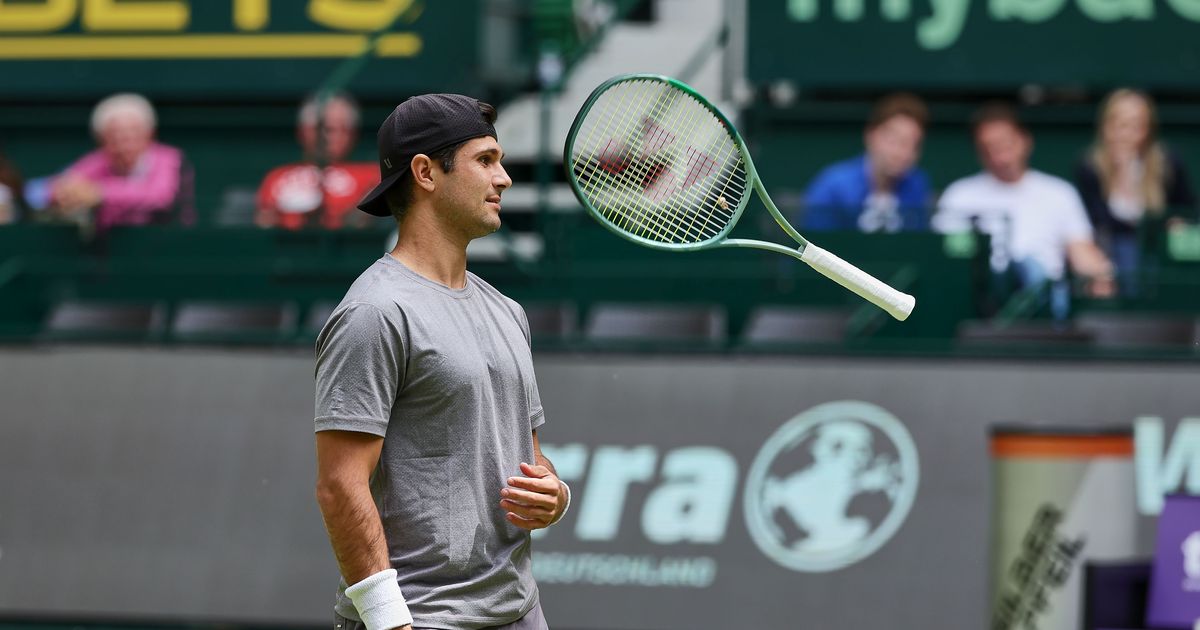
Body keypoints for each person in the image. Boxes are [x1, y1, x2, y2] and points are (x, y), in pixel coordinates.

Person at [314, 94, 567, 630]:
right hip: (418, 618)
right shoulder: (374, 313)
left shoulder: (508, 310)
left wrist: (554, 494)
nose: (504, 179)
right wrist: (388, 620)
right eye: (485, 160)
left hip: (521, 611)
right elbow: (340, 485)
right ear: (425, 173)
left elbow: (530, 457)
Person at [934, 103, 1114, 319]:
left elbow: (1081, 251)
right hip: (978, 303)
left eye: (1005, 145)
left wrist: (1099, 277)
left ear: (1025, 141)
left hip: (1047, 307)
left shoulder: (1059, 193)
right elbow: (946, 256)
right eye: (988, 148)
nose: (1000, 157)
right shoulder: (959, 196)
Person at [1074, 89, 1197, 293]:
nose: (1128, 134)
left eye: (1137, 126)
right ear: (1106, 127)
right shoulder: (1090, 167)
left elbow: (1185, 208)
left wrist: (1176, 222)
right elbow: (1099, 223)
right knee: (1125, 249)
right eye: (1121, 125)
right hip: (1111, 251)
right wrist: (1123, 175)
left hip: (1158, 249)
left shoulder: (1168, 162)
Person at [48, 93, 186, 231]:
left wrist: (99, 193)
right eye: (114, 137)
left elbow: (161, 196)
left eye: (132, 134)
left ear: (150, 134)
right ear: (101, 140)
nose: (124, 145)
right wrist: (65, 193)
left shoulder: (170, 159)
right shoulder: (98, 160)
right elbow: (54, 187)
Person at [801, 92, 932, 232]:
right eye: (895, 140)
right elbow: (814, 242)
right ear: (870, 135)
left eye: (914, 145)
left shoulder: (917, 184)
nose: (903, 153)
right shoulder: (833, 186)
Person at [256, 92, 379, 230]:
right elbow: (264, 223)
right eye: (321, 128)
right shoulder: (278, 178)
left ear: (353, 133)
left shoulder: (373, 176)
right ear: (302, 131)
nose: (327, 137)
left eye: (339, 128)